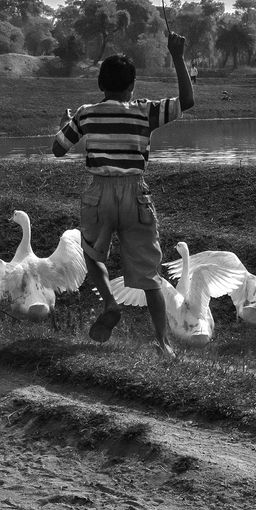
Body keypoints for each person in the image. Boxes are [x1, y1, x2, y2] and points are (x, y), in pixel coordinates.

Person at [52, 33, 195, 359]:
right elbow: (187, 101)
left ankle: (111, 303)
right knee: (151, 276)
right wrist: (176, 56)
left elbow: (58, 149)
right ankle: (163, 343)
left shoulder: (86, 113)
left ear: (102, 84)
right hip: (136, 194)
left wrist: (64, 125)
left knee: (91, 255)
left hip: (98, 194)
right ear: (132, 85)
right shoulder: (144, 111)